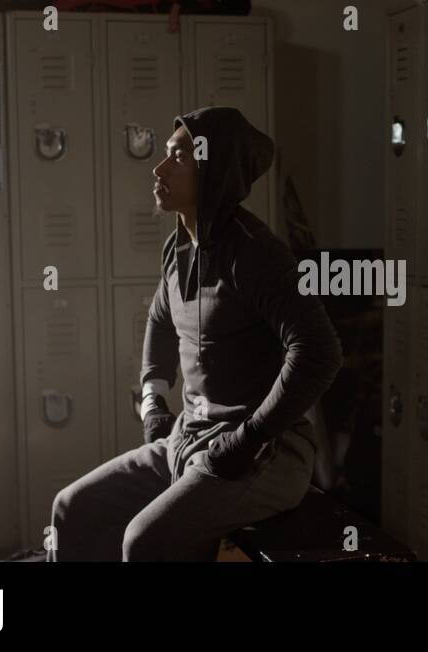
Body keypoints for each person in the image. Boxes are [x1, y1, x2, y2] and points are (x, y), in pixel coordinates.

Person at [49, 107, 343, 561]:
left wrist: (246, 439)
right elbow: (160, 324)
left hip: (266, 454)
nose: (159, 167)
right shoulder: (179, 249)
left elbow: (318, 352)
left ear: (215, 170)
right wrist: (153, 402)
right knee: (72, 509)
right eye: (166, 154)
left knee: (144, 541)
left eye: (180, 157)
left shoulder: (257, 253)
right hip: (191, 438)